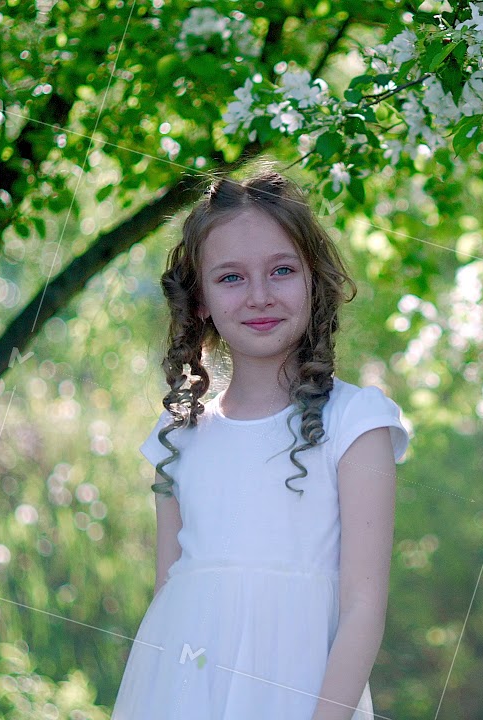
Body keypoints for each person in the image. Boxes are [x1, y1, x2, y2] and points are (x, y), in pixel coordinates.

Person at [112, 163, 410, 720]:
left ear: (313, 281)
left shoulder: (355, 422)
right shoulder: (178, 435)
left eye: (280, 271)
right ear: (199, 300)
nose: (258, 296)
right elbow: (168, 597)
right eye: (230, 278)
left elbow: (364, 608)